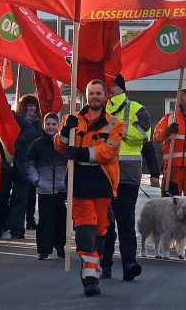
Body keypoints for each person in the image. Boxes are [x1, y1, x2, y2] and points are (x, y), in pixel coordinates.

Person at [54, 79, 122, 297]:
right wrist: (66, 130)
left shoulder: (114, 123)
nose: (94, 96)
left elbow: (108, 152)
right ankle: (90, 277)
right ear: (86, 95)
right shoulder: (71, 119)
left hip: (102, 182)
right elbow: (59, 145)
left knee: (100, 231)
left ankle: (93, 266)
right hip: (78, 182)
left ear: (105, 96)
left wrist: (82, 153)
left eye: (98, 93)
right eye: (91, 93)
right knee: (85, 229)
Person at [102, 74, 160, 281]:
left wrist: (116, 128)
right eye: (108, 86)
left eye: (113, 86)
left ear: (121, 88)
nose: (110, 90)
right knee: (105, 223)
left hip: (127, 175)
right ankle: (105, 265)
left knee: (125, 220)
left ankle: (129, 263)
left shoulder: (137, 109)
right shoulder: (98, 107)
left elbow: (144, 136)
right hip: (103, 174)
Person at [26, 112, 66, 260]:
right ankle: (44, 249)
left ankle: (60, 247)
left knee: (61, 219)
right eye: (47, 124)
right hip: (45, 190)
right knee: (45, 220)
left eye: (53, 124)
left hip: (62, 189)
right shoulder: (37, 144)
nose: (50, 127)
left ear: (58, 126)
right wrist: (37, 180)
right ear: (43, 126)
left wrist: (68, 181)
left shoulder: (64, 144)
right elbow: (29, 164)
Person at [5, 95, 43, 239]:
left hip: (30, 165)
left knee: (27, 198)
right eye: (29, 106)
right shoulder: (17, 121)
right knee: (13, 197)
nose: (32, 108)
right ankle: (10, 225)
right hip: (16, 163)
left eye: (34, 106)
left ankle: (23, 224)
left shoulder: (38, 123)